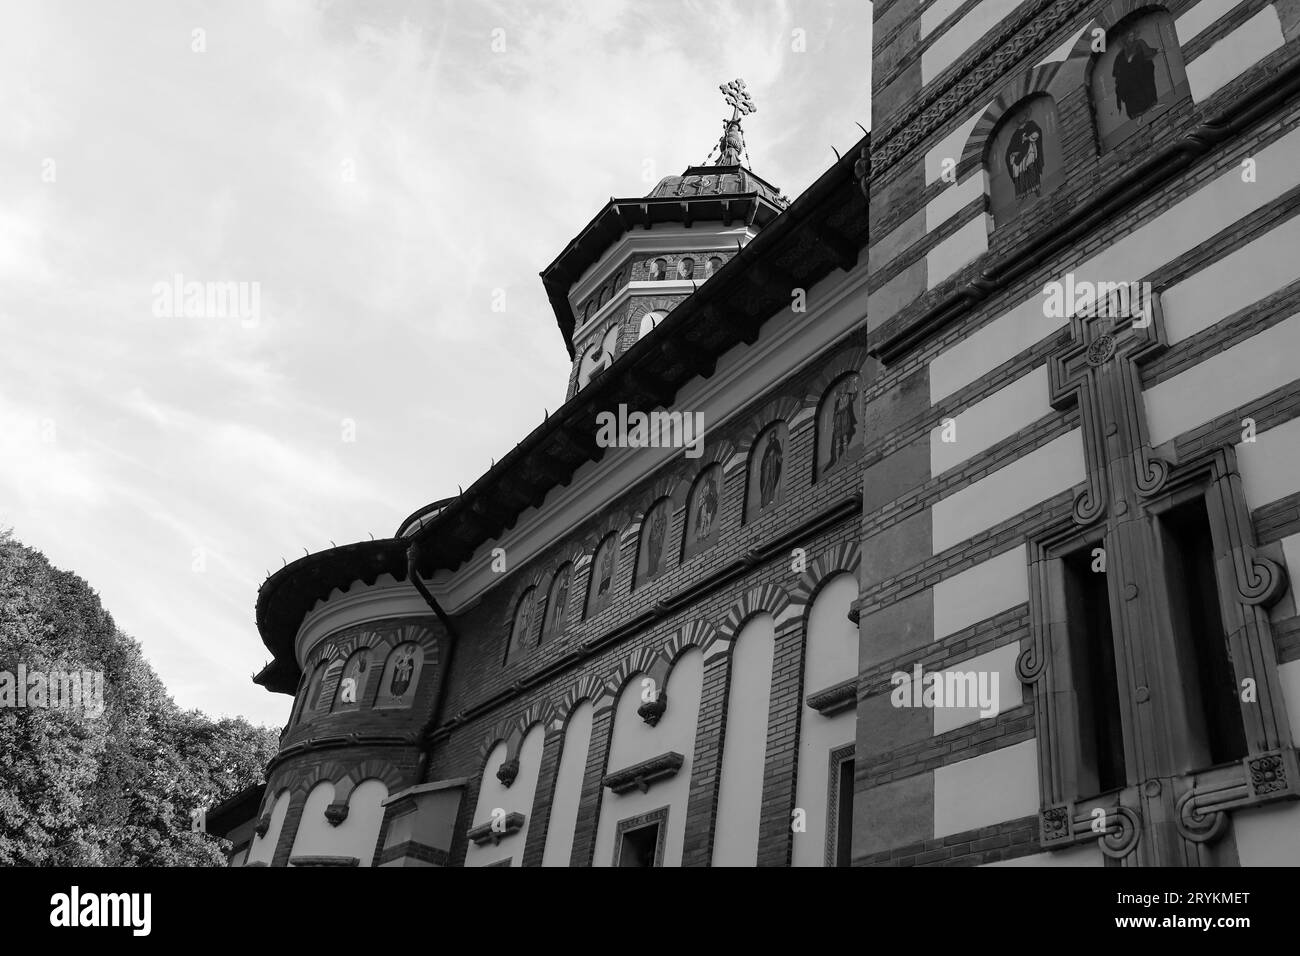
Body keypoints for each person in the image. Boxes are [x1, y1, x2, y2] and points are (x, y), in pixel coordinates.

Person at [1112, 27, 1160, 119]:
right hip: (1131, 79)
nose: (1132, 38)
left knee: (1147, 89)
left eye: (1132, 35)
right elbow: (1118, 70)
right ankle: (1139, 115)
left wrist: (1156, 50)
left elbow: (1147, 52)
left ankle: (1152, 106)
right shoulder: (1121, 55)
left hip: (1143, 72)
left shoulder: (1139, 43)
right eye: (1129, 36)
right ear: (1125, 39)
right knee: (1134, 97)